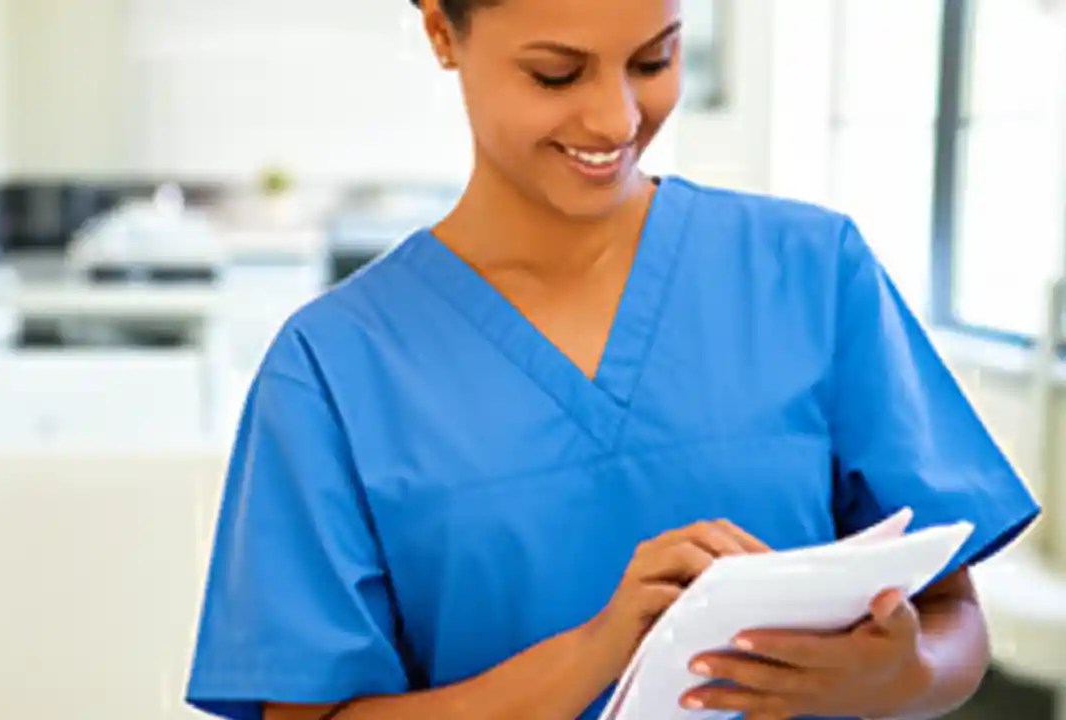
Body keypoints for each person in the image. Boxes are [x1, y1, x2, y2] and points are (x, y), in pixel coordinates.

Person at [186, 0, 1041, 718]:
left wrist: (903, 675)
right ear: (443, 30)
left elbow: (950, 618)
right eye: (557, 74)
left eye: (652, 60)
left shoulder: (812, 272)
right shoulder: (334, 368)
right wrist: (595, 653)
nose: (617, 120)